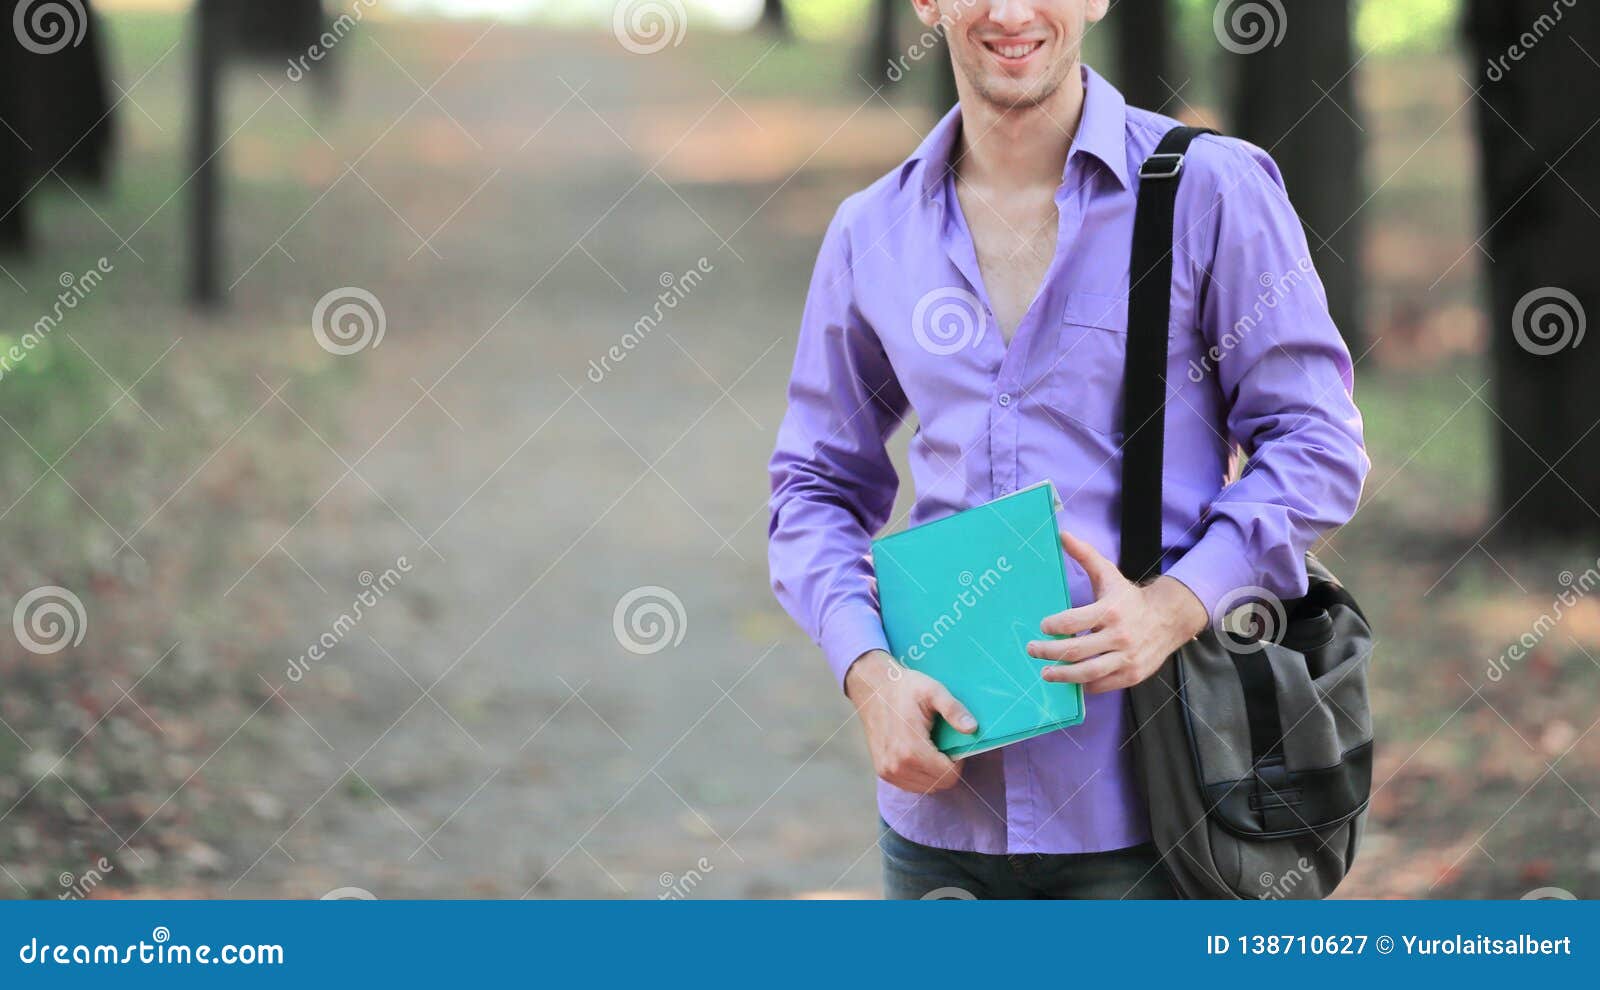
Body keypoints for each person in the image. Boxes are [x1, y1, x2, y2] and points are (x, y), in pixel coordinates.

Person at [766, 0, 1369, 899]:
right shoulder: (872, 231)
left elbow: (1316, 440)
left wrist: (1174, 604)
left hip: (1162, 798)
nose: (1011, 13)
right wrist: (868, 672)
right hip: (945, 817)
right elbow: (814, 484)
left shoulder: (1209, 190)